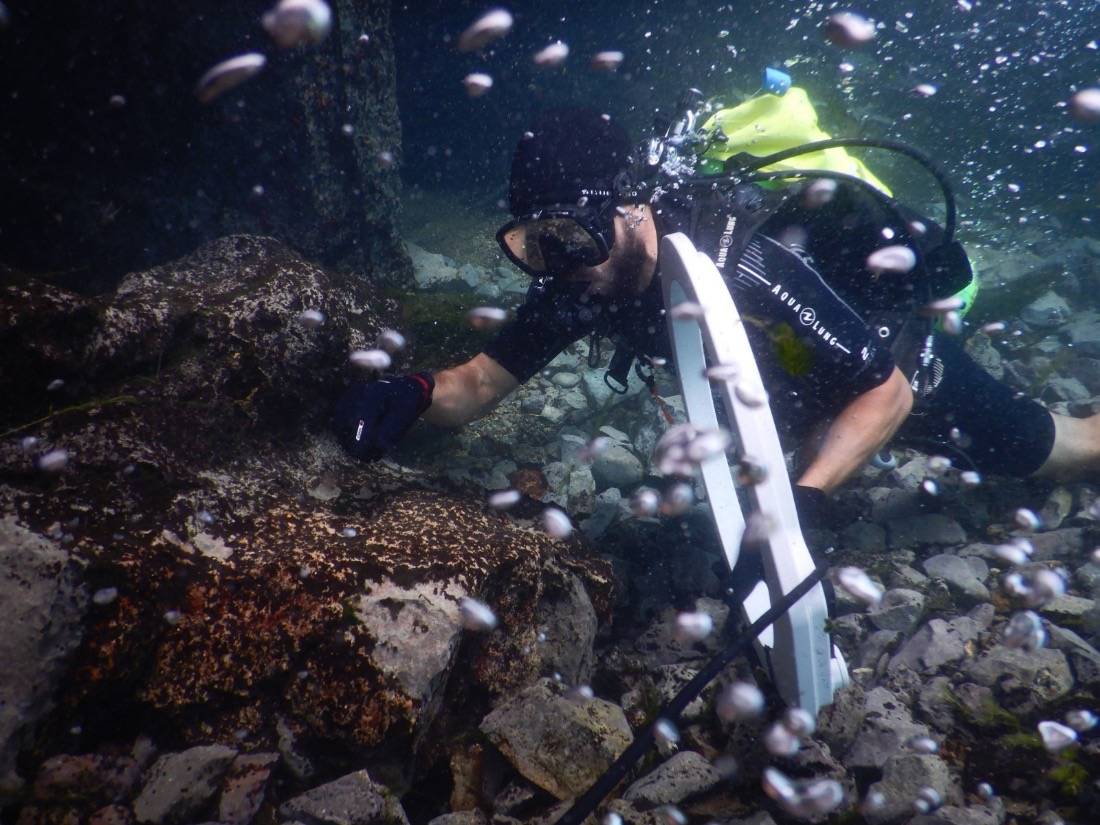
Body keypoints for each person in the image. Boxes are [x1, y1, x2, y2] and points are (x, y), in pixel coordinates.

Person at [334, 107, 1100, 521]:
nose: (562, 263)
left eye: (574, 235)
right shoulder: (583, 280)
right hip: (787, 377)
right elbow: (478, 383)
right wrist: (412, 391)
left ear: (632, 207)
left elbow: (887, 392)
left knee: (1057, 450)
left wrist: (804, 504)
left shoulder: (739, 262)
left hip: (888, 367)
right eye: (535, 245)